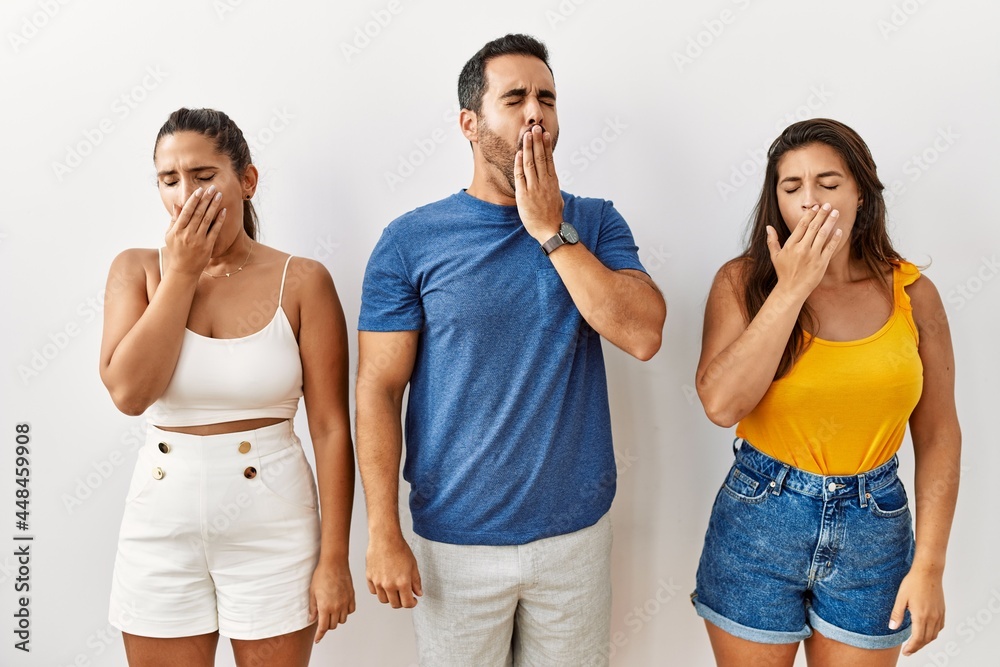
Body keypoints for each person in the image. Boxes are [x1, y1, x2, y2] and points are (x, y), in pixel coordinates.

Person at [355, 33, 666, 666]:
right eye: (516, 97)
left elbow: (643, 334)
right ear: (470, 122)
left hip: (573, 539)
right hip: (455, 543)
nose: (536, 113)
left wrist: (552, 231)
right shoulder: (410, 241)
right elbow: (378, 390)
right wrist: (382, 529)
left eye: (547, 98)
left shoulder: (595, 221)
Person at [692, 118, 960, 666]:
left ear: (862, 192)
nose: (810, 202)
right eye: (791, 188)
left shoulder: (913, 293)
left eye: (829, 184)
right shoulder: (740, 283)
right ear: (776, 202)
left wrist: (929, 564)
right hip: (759, 518)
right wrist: (791, 289)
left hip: (875, 527)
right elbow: (721, 405)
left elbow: (938, 435)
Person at [100, 108, 355, 666]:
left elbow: (332, 427)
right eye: (170, 180)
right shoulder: (136, 270)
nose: (186, 195)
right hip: (160, 523)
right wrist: (183, 273)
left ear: (247, 180)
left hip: (274, 525)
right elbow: (129, 394)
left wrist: (334, 557)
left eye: (203, 176)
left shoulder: (303, 280)